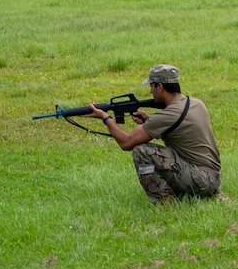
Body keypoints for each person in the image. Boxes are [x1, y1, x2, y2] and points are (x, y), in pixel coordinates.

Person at [85, 65, 222, 204]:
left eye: (152, 86)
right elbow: (180, 130)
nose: (151, 91)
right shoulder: (196, 103)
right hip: (214, 177)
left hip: (201, 180)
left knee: (141, 151)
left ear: (160, 86)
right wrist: (150, 120)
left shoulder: (169, 114)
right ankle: (205, 193)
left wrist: (106, 118)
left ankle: (165, 202)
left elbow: (126, 143)